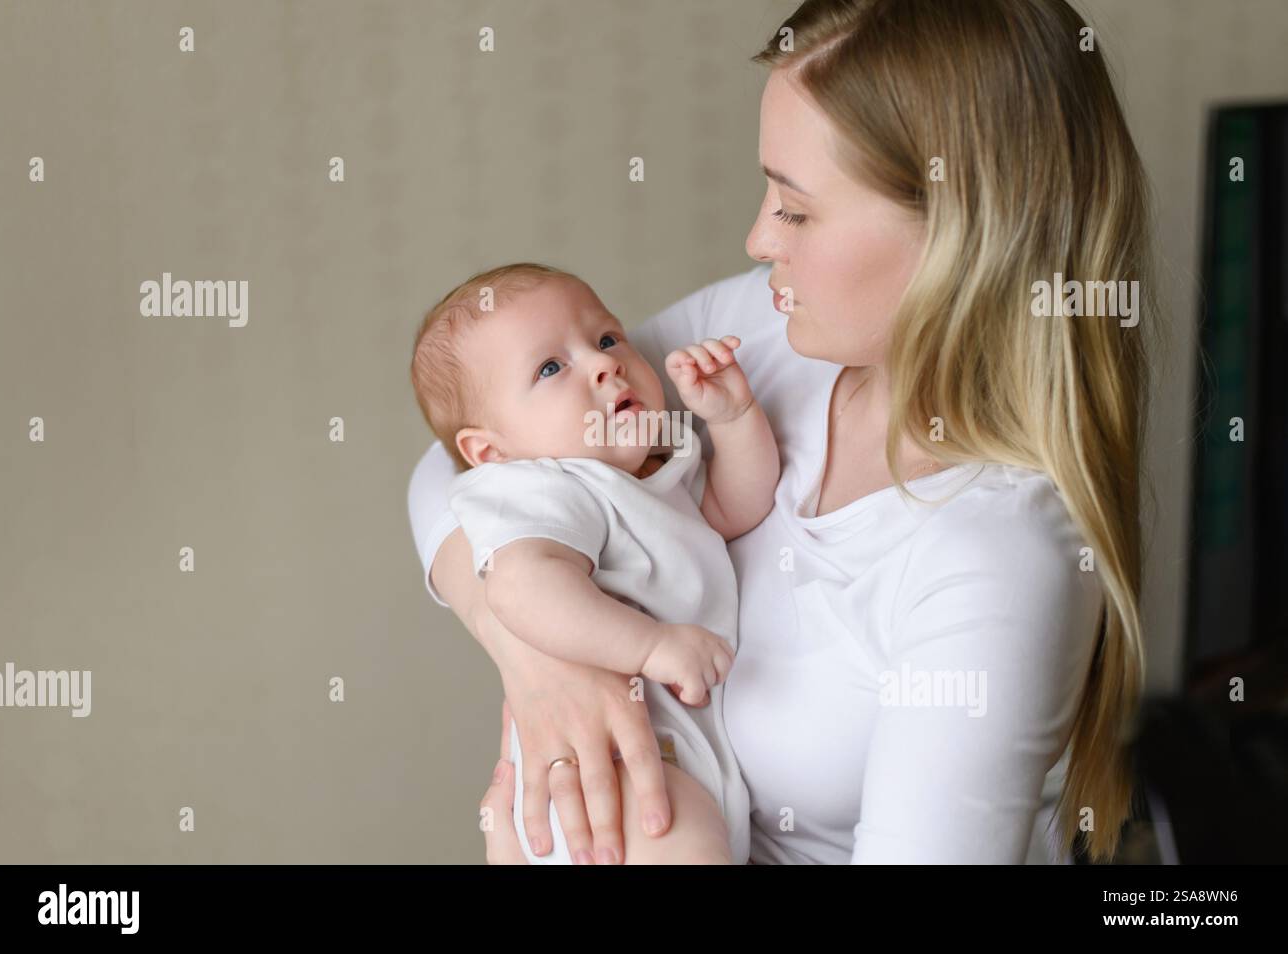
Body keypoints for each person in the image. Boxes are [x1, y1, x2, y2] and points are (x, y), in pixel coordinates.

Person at [409, 0, 1151, 864]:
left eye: (796, 210)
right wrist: (538, 653)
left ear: (962, 234)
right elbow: (461, 456)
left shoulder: (997, 553)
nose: (758, 238)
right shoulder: (768, 332)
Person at [409, 262, 780, 863]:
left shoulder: (651, 471)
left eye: (606, 338)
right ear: (492, 452)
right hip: (609, 768)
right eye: (551, 367)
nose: (604, 362)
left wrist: (734, 422)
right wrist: (650, 647)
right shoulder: (545, 487)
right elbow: (522, 589)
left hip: (674, 763)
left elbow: (734, 510)